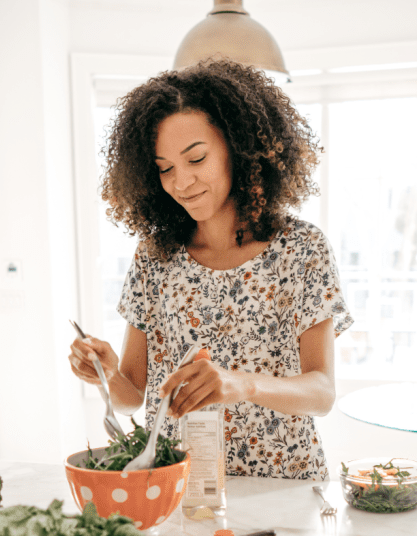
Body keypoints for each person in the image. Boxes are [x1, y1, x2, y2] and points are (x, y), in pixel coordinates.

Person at [69, 58, 352, 480]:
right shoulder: (155, 257)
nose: (181, 182)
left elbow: (322, 393)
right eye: (165, 168)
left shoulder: (301, 249)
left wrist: (242, 383)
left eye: (196, 158)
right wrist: (107, 373)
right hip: (179, 487)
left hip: (282, 486)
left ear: (238, 147)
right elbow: (132, 395)